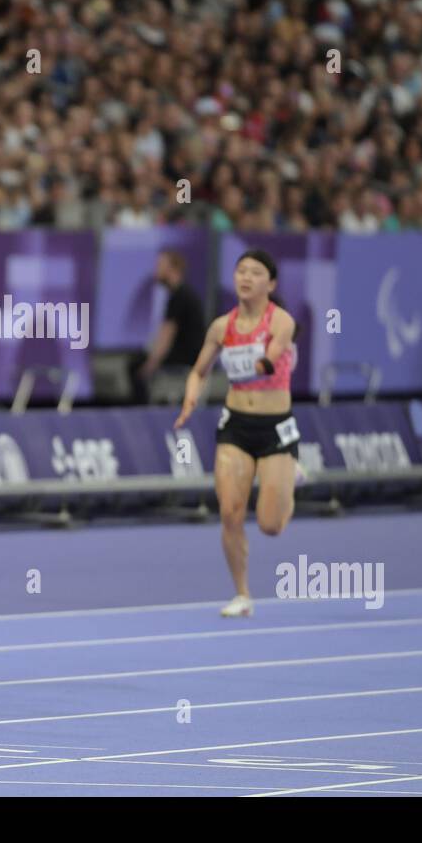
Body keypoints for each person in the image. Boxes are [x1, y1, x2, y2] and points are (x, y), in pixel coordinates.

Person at [175, 249, 298, 617]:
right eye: (240, 271)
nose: (246, 278)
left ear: (270, 283)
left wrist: (251, 362)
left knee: (271, 526)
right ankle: (242, 594)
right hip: (236, 426)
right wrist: (190, 399)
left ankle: (292, 476)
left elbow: (271, 358)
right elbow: (199, 371)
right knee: (230, 512)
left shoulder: (282, 321)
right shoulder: (220, 327)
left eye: (256, 272)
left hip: (275, 427)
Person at [131, 249, 206, 404]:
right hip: (191, 355)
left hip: (187, 357)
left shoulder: (179, 297)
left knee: (135, 367)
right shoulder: (184, 294)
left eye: (160, 265)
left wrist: (150, 366)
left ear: (173, 268)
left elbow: (166, 338)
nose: (156, 270)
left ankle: (142, 413)